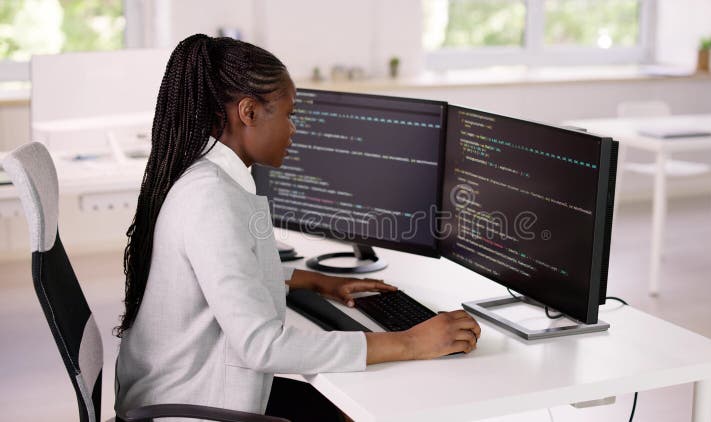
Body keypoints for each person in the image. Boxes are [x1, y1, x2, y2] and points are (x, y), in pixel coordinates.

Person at [114, 34, 481, 421]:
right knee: (363, 405)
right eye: (288, 114)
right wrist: (409, 342)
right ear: (248, 112)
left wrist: (316, 281)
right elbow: (263, 346)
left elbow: (231, 269)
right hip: (190, 406)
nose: (293, 129)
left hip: (188, 385)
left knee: (346, 404)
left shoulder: (210, 176)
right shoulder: (211, 198)